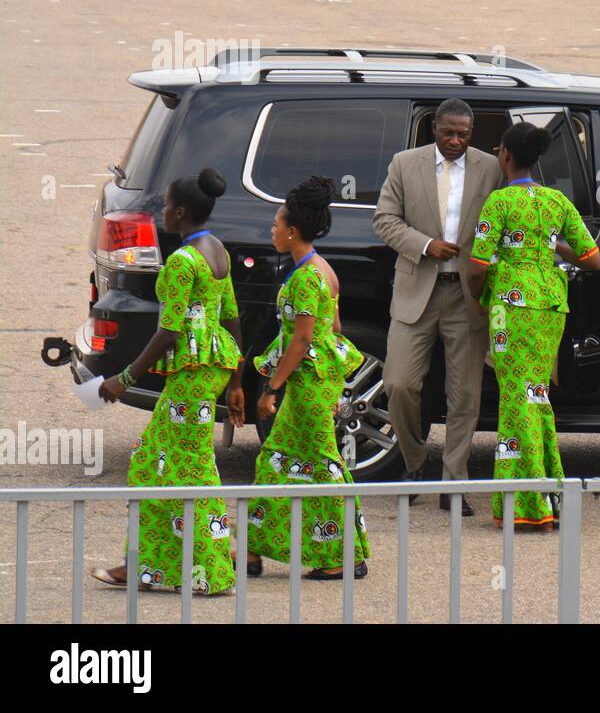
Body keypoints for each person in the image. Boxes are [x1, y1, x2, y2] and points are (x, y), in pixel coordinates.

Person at [91, 169, 244, 593]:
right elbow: (230, 316)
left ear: (180, 211)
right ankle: (147, 567)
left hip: (192, 374)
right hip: (210, 369)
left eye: (165, 206)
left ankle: (211, 571)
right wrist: (235, 381)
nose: (161, 212)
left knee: (188, 471)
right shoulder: (217, 251)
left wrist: (123, 379)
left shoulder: (182, 261)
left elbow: (169, 331)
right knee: (152, 466)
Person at [464, 122, 600, 531]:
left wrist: (479, 297)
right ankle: (546, 495)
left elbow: (477, 266)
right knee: (536, 394)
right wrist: (551, 246)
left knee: (516, 397)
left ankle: (524, 504)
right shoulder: (556, 201)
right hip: (550, 305)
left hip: (511, 304)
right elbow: (592, 259)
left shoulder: (499, 202)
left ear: (505, 155)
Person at [373, 99, 501, 512]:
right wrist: (426, 246)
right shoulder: (404, 163)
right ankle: (414, 462)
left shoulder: (491, 168)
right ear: (434, 128)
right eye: (448, 132)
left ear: (472, 132)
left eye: (463, 134)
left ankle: (454, 482)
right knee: (399, 383)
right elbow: (385, 219)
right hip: (416, 290)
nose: (455, 141)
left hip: (468, 295)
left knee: (465, 394)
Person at [246, 177, 369, 580]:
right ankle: (254, 549)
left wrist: (271, 388)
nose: (272, 230)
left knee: (314, 465)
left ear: (292, 231)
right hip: (317, 385)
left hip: (305, 388)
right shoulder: (324, 270)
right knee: (288, 462)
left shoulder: (303, 278)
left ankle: (340, 557)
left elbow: (301, 341)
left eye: (276, 224)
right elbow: (334, 329)